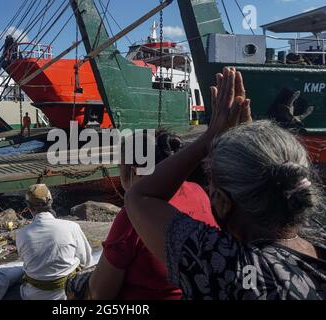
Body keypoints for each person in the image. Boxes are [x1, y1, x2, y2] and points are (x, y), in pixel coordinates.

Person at [125, 67, 326, 299]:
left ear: (221, 201)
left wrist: (210, 137)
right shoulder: (317, 235)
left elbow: (139, 197)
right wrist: (250, 142)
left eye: (211, 188)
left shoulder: (232, 270)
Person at [82, 130, 217, 300]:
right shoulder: (197, 191)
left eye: (120, 167)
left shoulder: (134, 214)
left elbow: (99, 294)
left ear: (134, 172)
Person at [16, 184, 92, 300]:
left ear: (29, 207)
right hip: (66, 295)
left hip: (33, 296)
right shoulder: (72, 227)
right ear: (50, 202)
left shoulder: (21, 234)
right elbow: (86, 262)